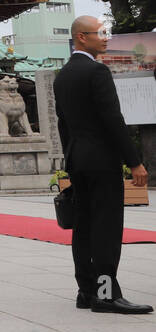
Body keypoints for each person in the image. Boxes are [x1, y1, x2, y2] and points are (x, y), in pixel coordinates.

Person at [54, 16, 151, 313]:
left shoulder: (63, 75)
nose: (106, 38)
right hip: (102, 162)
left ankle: (86, 291)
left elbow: (63, 124)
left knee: (83, 227)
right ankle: (106, 295)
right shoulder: (97, 71)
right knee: (106, 229)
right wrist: (134, 162)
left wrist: (69, 159)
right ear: (82, 37)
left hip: (78, 161)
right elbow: (112, 120)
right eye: (100, 33)